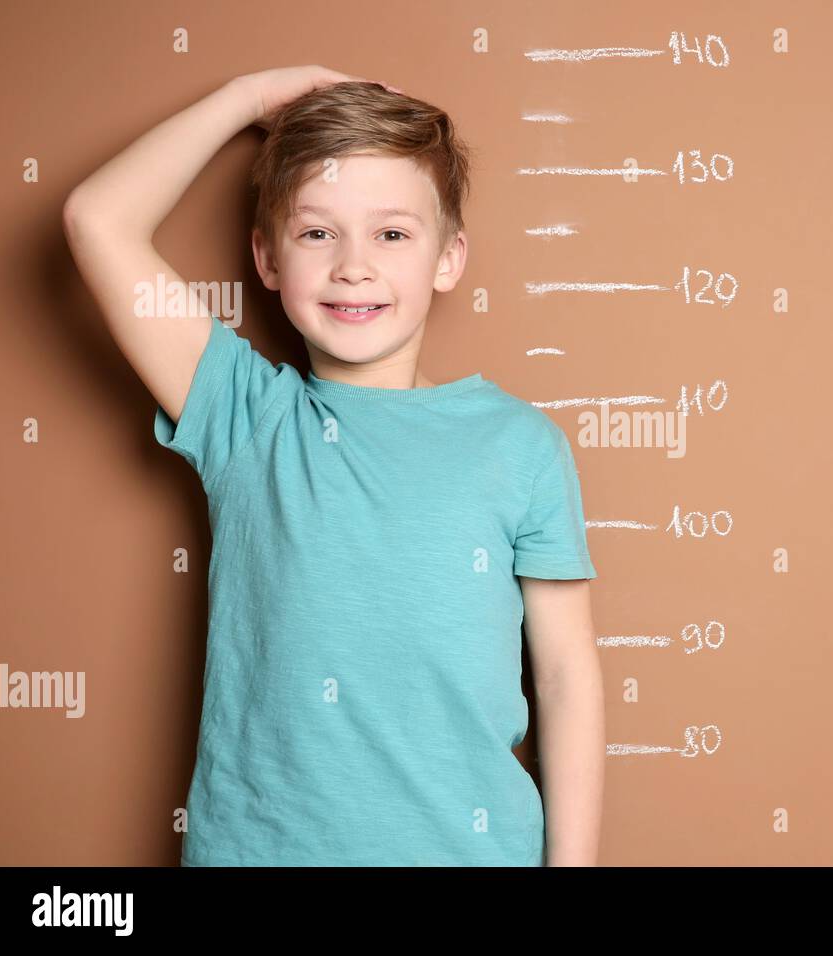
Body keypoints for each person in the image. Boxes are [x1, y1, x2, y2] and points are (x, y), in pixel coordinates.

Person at [61, 66, 604, 866]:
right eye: (318, 232)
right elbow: (95, 219)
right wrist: (248, 99)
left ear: (448, 259)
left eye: (391, 233)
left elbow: (565, 676)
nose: (354, 264)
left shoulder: (520, 445)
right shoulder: (244, 415)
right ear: (267, 258)